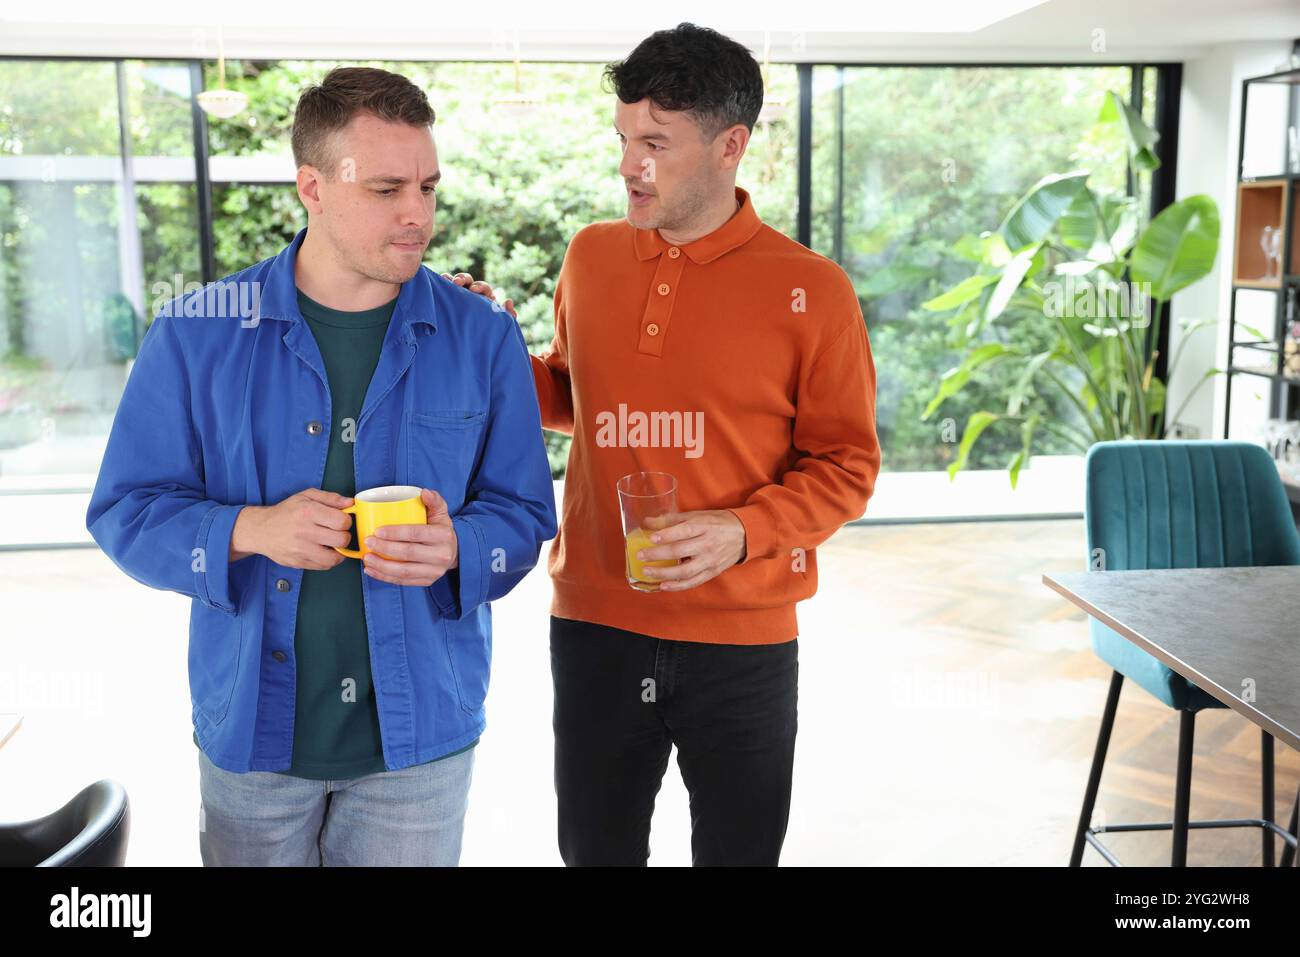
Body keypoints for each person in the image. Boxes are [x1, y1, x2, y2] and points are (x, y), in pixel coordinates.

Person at [86, 66, 557, 866]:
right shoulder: (196, 332)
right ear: (313, 186)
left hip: (420, 747)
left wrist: (459, 549)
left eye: (428, 187)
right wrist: (247, 528)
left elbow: (523, 513)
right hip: (254, 742)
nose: (418, 215)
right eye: (385, 190)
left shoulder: (483, 335)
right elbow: (125, 510)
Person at [453, 22, 881, 866]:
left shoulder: (814, 291)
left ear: (731, 145)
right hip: (597, 620)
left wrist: (743, 530)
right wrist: (498, 351)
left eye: (655, 142)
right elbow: (577, 398)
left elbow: (848, 466)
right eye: (622, 138)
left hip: (745, 638)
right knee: (595, 853)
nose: (628, 164)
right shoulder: (592, 255)